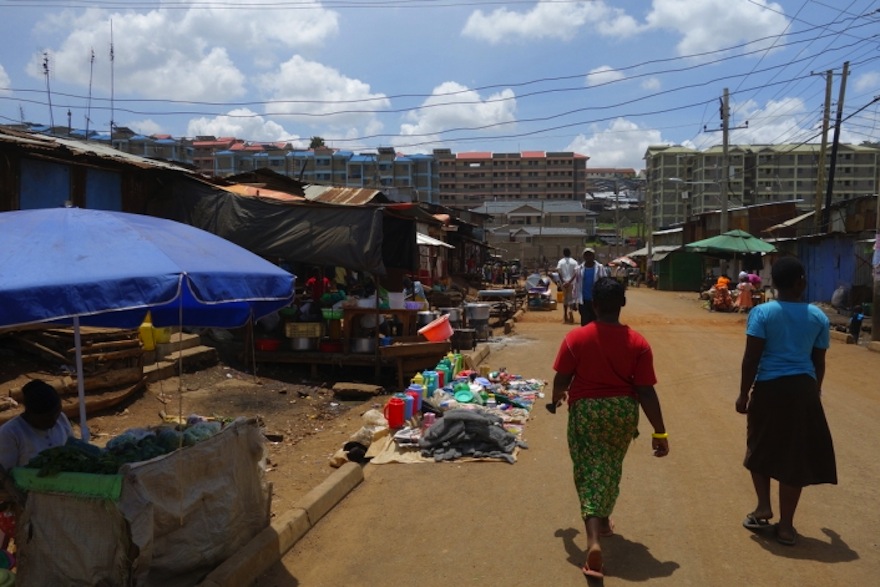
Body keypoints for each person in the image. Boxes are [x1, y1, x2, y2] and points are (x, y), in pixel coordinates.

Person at [550, 277, 669, 579]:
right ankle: (603, 522)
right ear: (622, 304)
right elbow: (645, 391)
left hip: (587, 411)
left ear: (594, 304)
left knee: (589, 470)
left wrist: (556, 399)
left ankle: (592, 544)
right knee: (610, 465)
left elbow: (562, 378)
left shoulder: (576, 339)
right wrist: (659, 432)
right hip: (621, 412)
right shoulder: (638, 343)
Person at [737, 256, 836, 547]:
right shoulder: (818, 317)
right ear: (799, 282)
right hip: (803, 390)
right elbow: (819, 362)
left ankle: (763, 506)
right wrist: (813, 392)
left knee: (760, 446)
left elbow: (751, 358)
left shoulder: (762, 313)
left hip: (769, 388)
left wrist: (744, 394)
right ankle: (787, 528)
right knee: (795, 456)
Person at [0, 380, 74, 471]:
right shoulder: (10, 433)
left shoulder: (61, 418)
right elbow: (5, 473)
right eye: (47, 419)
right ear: (30, 413)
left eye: (57, 413)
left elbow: (73, 448)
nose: (54, 421)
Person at [572, 247, 610, 326]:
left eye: (590, 255)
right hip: (583, 300)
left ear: (593, 256)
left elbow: (604, 282)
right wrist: (574, 301)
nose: (588, 257)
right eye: (586, 255)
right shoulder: (579, 269)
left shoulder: (600, 268)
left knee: (596, 322)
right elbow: (576, 285)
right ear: (584, 257)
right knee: (585, 322)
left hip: (596, 301)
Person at [556, 248, 579, 324]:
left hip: (563, 283)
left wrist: (563, 282)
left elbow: (559, 273)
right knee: (571, 298)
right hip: (572, 283)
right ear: (570, 253)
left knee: (565, 298)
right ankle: (571, 312)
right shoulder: (574, 262)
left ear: (563, 253)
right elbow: (576, 273)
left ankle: (565, 315)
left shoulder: (560, 262)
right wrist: (569, 282)